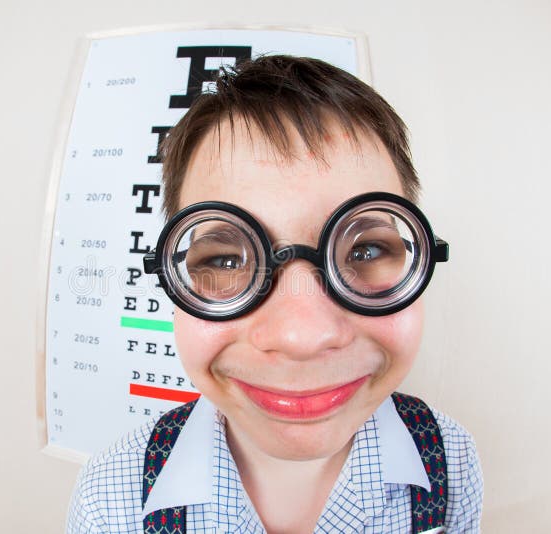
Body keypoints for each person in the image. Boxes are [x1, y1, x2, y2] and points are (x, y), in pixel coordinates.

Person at [67, 54, 483, 533]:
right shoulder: (109, 501)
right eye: (225, 261)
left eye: (365, 250)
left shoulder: (451, 460)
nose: (301, 337)